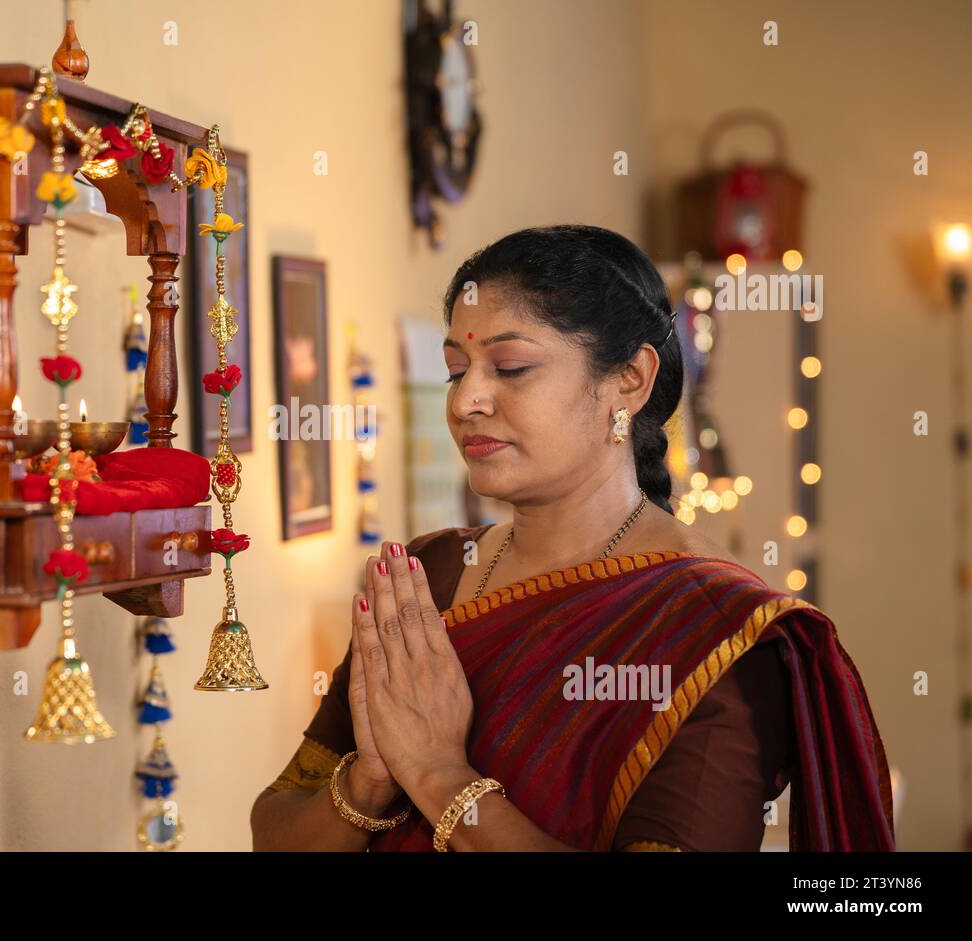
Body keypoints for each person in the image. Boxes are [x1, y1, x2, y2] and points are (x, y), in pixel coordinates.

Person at [250, 225, 895, 852]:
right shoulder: (426, 577)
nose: (466, 400)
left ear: (630, 380)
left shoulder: (716, 631)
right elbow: (274, 832)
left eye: (511, 366)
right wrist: (368, 782)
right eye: (456, 370)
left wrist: (440, 777)